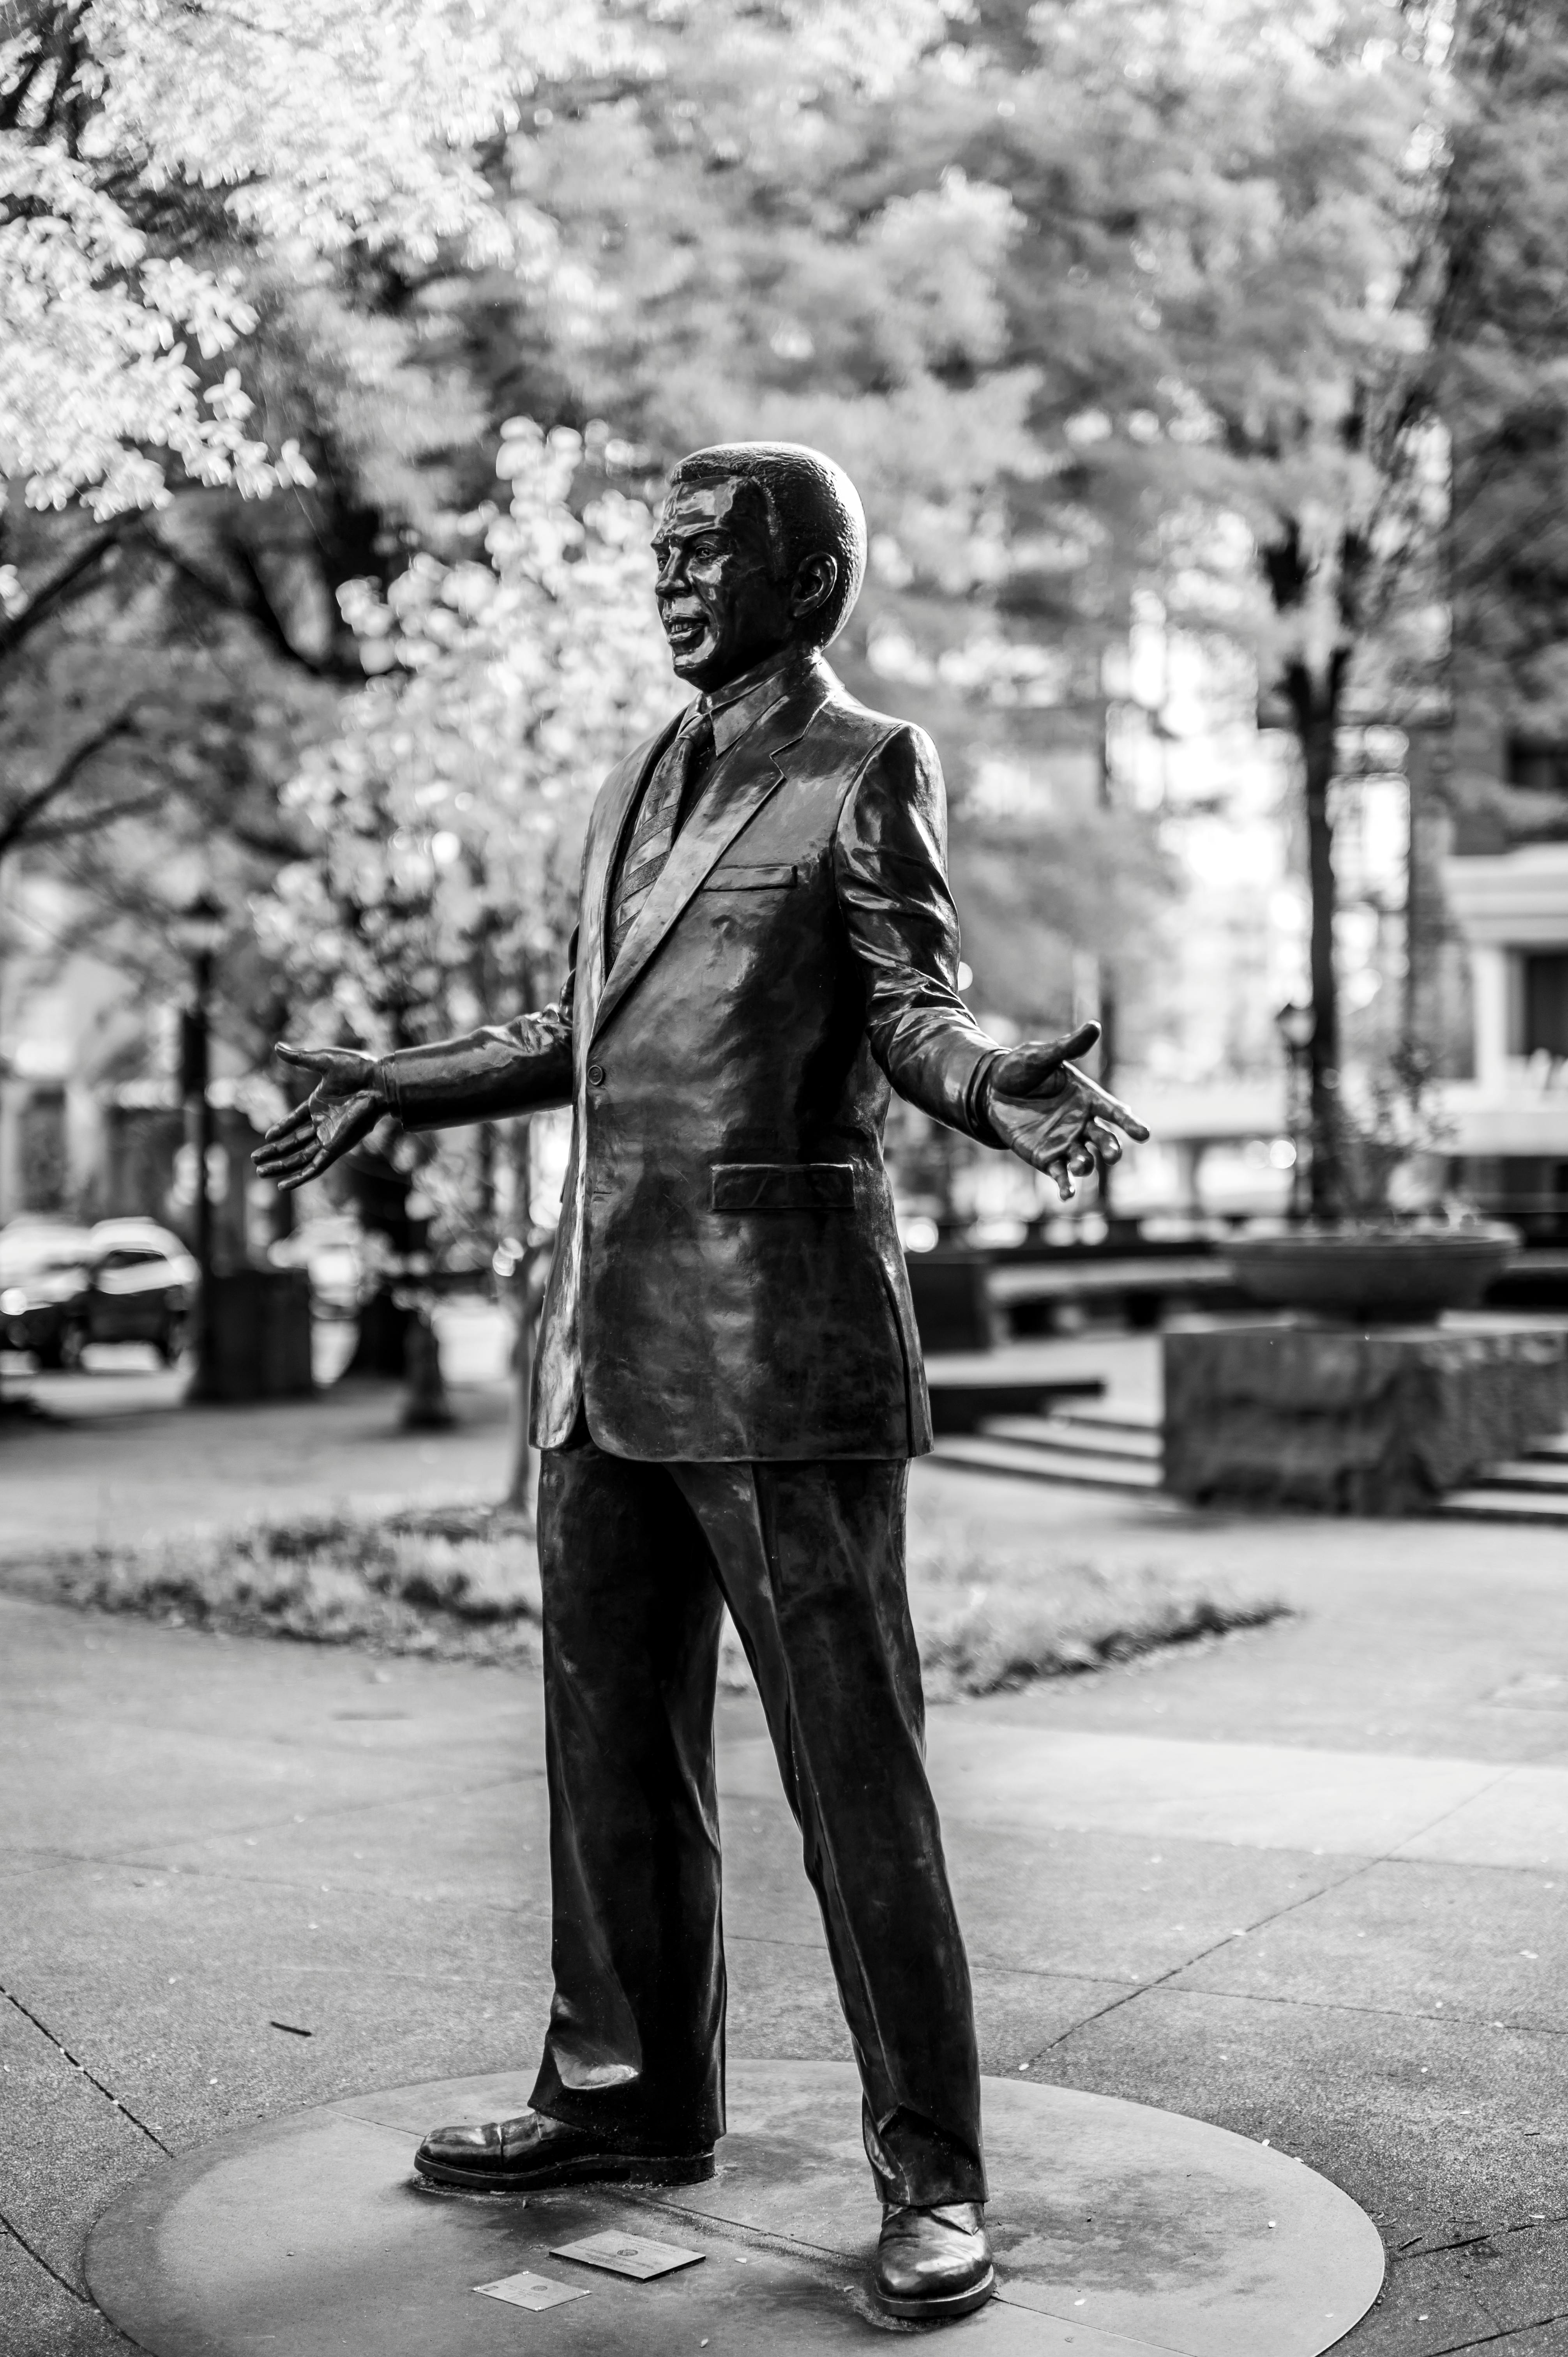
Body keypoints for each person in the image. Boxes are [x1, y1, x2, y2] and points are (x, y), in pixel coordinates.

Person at [254, 441, 1147, 2323]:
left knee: (854, 1779)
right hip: (607, 1344)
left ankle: (933, 2172)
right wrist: (394, 1076)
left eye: (705, 553)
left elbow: (909, 1005)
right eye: (653, 551)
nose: (667, 580)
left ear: (806, 583)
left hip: (786, 1345)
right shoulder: (623, 787)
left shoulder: (860, 766)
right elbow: (581, 1033)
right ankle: (627, 2096)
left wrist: (998, 1085)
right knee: (608, 1753)